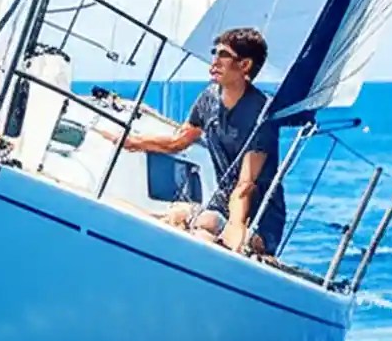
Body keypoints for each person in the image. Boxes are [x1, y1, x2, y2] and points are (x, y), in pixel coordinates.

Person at [101, 27, 285, 256]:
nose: (214, 61)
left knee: (209, 237)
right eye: (214, 53)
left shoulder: (261, 115)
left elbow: (245, 186)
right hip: (221, 203)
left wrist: (235, 230)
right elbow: (177, 142)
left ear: (244, 65)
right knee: (185, 220)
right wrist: (130, 141)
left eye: (223, 55)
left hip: (260, 217)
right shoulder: (209, 97)